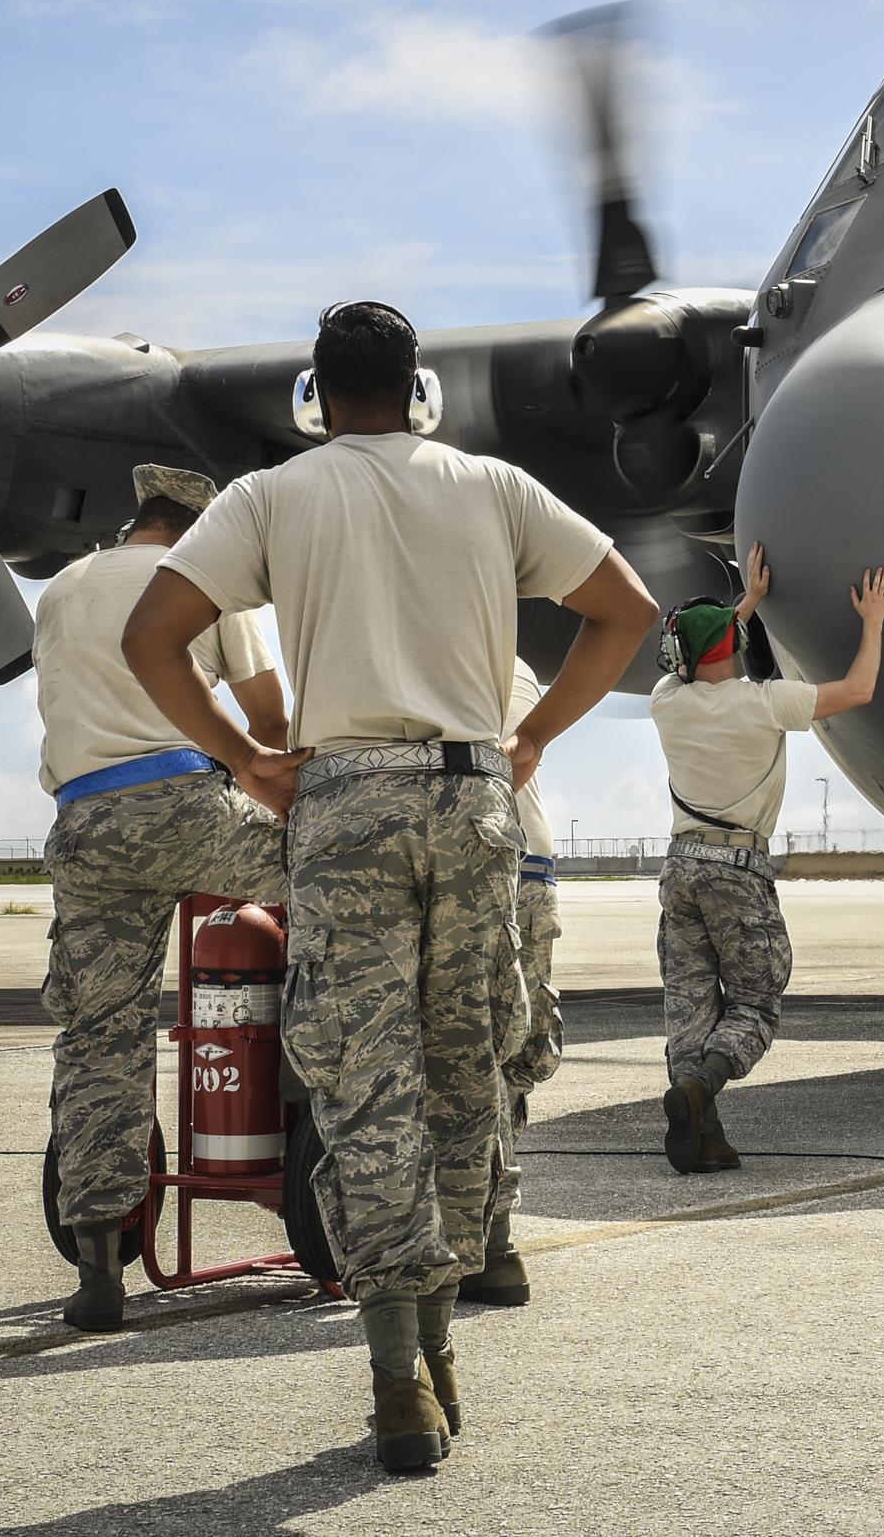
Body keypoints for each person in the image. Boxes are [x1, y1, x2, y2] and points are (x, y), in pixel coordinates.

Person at [122, 301, 655, 1474]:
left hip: (344, 798)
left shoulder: (268, 495)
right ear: (418, 391)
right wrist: (535, 738)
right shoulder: (492, 485)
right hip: (471, 795)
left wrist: (247, 763)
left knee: (366, 1082)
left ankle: (396, 1369)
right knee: (466, 1066)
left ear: (314, 393)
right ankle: (440, 1335)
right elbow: (627, 610)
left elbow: (153, 636)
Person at [33, 464, 292, 1330]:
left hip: (85, 825)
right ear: (200, 526)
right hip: (189, 807)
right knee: (347, 895)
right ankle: (317, 1141)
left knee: (99, 1038)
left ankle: (100, 1264)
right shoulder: (209, 578)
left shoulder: (65, 585)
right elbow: (270, 721)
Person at [652, 544, 884, 1173]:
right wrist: (872, 621)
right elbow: (861, 688)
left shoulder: (665, 703)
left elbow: (709, 650)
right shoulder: (767, 702)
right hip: (738, 871)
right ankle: (703, 1086)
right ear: (731, 646)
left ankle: (701, 1132)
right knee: (755, 1003)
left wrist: (748, 601)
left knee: (689, 1002)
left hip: (679, 870)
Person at [464, 657, 566, 1309]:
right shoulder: (517, 662)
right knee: (506, 1051)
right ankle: (493, 1243)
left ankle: (489, 1245)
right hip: (533, 858)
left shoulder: (418, 639)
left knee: (464, 1050)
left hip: (475, 847)